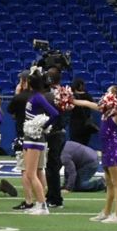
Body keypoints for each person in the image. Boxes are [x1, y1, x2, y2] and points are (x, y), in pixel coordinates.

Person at [74, 86, 117, 224]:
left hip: (113, 148)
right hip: (106, 149)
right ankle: (107, 212)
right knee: (109, 183)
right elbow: (87, 103)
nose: (105, 94)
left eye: (108, 92)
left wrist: (116, 101)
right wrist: (71, 100)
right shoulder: (105, 110)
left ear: (113, 95)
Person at [8, 72, 58, 214]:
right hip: (29, 137)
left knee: (31, 173)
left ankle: (42, 205)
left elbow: (55, 114)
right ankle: (39, 203)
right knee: (32, 172)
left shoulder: (38, 98)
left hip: (35, 139)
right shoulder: (33, 97)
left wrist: (42, 126)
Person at [43, 67, 68, 209]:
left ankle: (55, 198)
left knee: (52, 167)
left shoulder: (51, 95)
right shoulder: (64, 93)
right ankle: (52, 195)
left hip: (53, 132)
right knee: (52, 166)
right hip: (60, 131)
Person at [69, 78, 98, 146]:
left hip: (75, 125)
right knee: (84, 146)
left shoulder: (71, 97)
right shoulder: (88, 96)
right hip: (86, 125)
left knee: (75, 146)